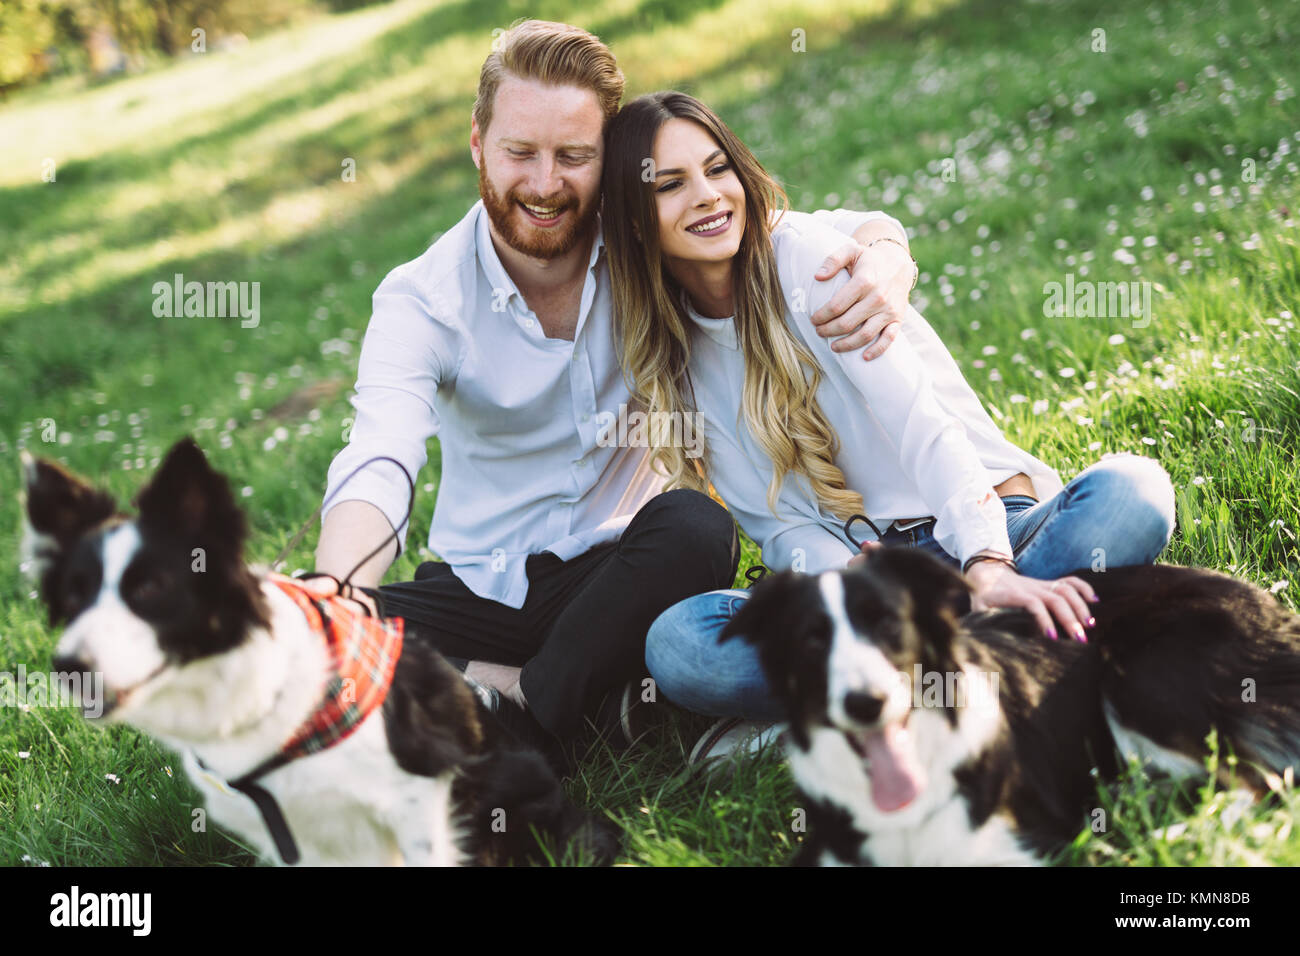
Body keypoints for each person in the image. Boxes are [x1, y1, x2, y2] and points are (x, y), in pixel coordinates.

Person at [308, 22, 921, 752]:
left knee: (697, 526)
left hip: (629, 567)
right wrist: (333, 592)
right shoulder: (422, 300)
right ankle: (599, 706)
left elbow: (794, 228)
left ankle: (520, 709)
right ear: (478, 143)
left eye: (574, 156)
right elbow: (381, 452)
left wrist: (886, 252)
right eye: (519, 153)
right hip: (482, 586)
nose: (543, 183)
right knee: (315, 633)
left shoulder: (645, 240)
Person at [599, 91, 1176, 759]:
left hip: (989, 527)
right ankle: (990, 670)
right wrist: (849, 584)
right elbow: (779, 526)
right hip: (866, 584)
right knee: (678, 644)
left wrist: (987, 564)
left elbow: (922, 427)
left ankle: (855, 706)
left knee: (1133, 495)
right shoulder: (670, 359)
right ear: (638, 223)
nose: (706, 195)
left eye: (717, 168)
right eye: (670, 185)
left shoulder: (808, 263)